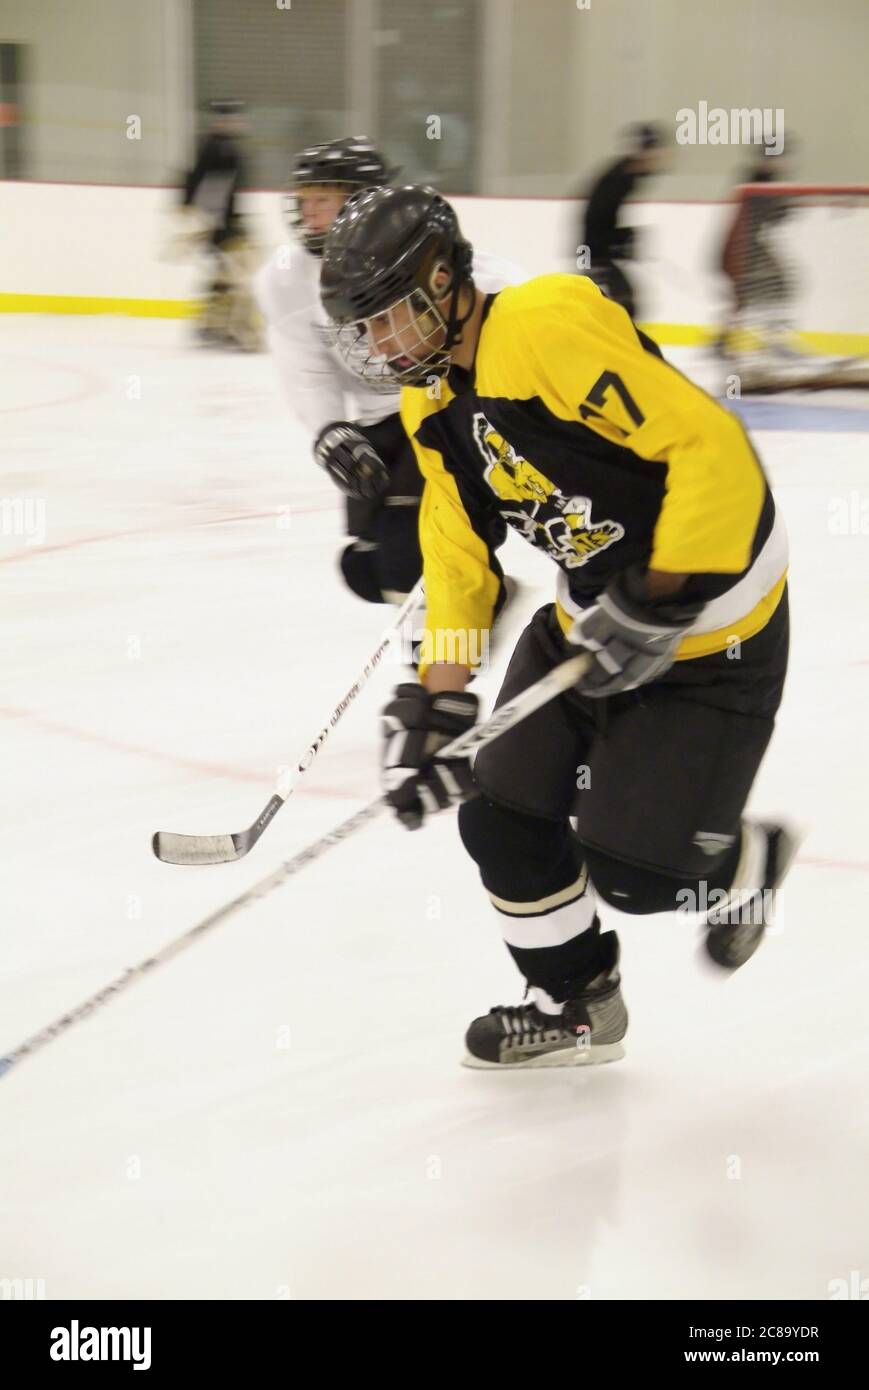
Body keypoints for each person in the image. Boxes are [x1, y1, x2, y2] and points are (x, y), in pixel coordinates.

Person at [320, 184, 794, 1069]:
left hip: (717, 627)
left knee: (639, 876)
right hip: (589, 619)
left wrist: (656, 596)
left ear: (440, 281)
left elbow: (711, 447)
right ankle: (575, 1004)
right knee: (498, 814)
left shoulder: (541, 327)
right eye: (365, 327)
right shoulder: (431, 402)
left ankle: (741, 868)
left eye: (387, 319)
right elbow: (458, 558)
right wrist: (439, 702)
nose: (376, 345)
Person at [255, 140, 525, 609]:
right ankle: (472, 616)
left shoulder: (416, 255)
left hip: (442, 408)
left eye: (324, 198)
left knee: (409, 557)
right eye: (304, 198)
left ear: (361, 199)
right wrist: (329, 427)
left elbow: (504, 301)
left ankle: (442, 665)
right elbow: (306, 364)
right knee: (363, 568)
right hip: (379, 420)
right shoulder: (283, 279)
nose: (309, 211)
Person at [179, 99, 260, 350]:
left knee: (225, 275)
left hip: (224, 222)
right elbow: (205, 186)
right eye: (230, 117)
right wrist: (212, 223)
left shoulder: (222, 147)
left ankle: (212, 325)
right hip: (221, 224)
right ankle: (235, 329)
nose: (235, 122)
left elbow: (195, 182)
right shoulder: (218, 149)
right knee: (240, 274)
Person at [579, 122, 667, 320]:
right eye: (654, 153)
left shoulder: (626, 175)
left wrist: (624, 240)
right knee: (623, 303)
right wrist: (622, 240)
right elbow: (595, 218)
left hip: (594, 250)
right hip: (590, 251)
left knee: (622, 302)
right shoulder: (618, 180)